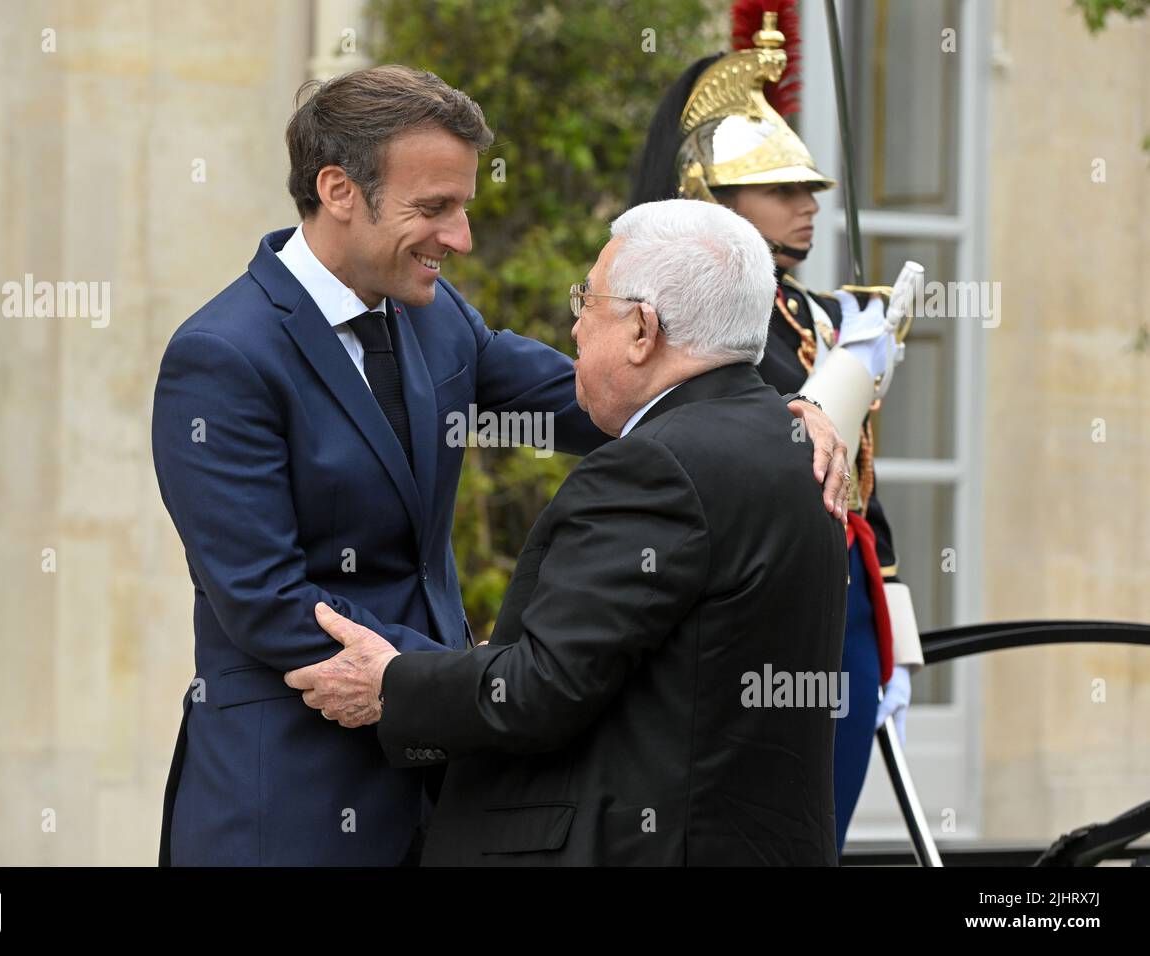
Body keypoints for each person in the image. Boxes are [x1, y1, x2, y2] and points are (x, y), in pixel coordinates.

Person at [151, 65, 850, 866]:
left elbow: (611, 393)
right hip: (290, 795)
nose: (461, 238)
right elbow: (265, 599)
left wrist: (773, 411)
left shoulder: (435, 314)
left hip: (446, 778)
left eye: (465, 207)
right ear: (339, 189)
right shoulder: (221, 356)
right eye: (434, 208)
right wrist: (466, 684)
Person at [285, 198, 848, 866]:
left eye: (587, 300)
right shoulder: (795, 445)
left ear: (643, 329)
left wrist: (390, 683)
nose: (575, 326)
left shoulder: (654, 467)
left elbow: (540, 689)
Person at [626, 0, 925, 849]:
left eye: (810, 189)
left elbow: (861, 480)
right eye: (781, 188)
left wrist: (891, 601)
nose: (808, 206)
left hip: (842, 595)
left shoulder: (826, 313)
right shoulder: (691, 316)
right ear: (708, 196)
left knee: (820, 830)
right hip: (751, 593)